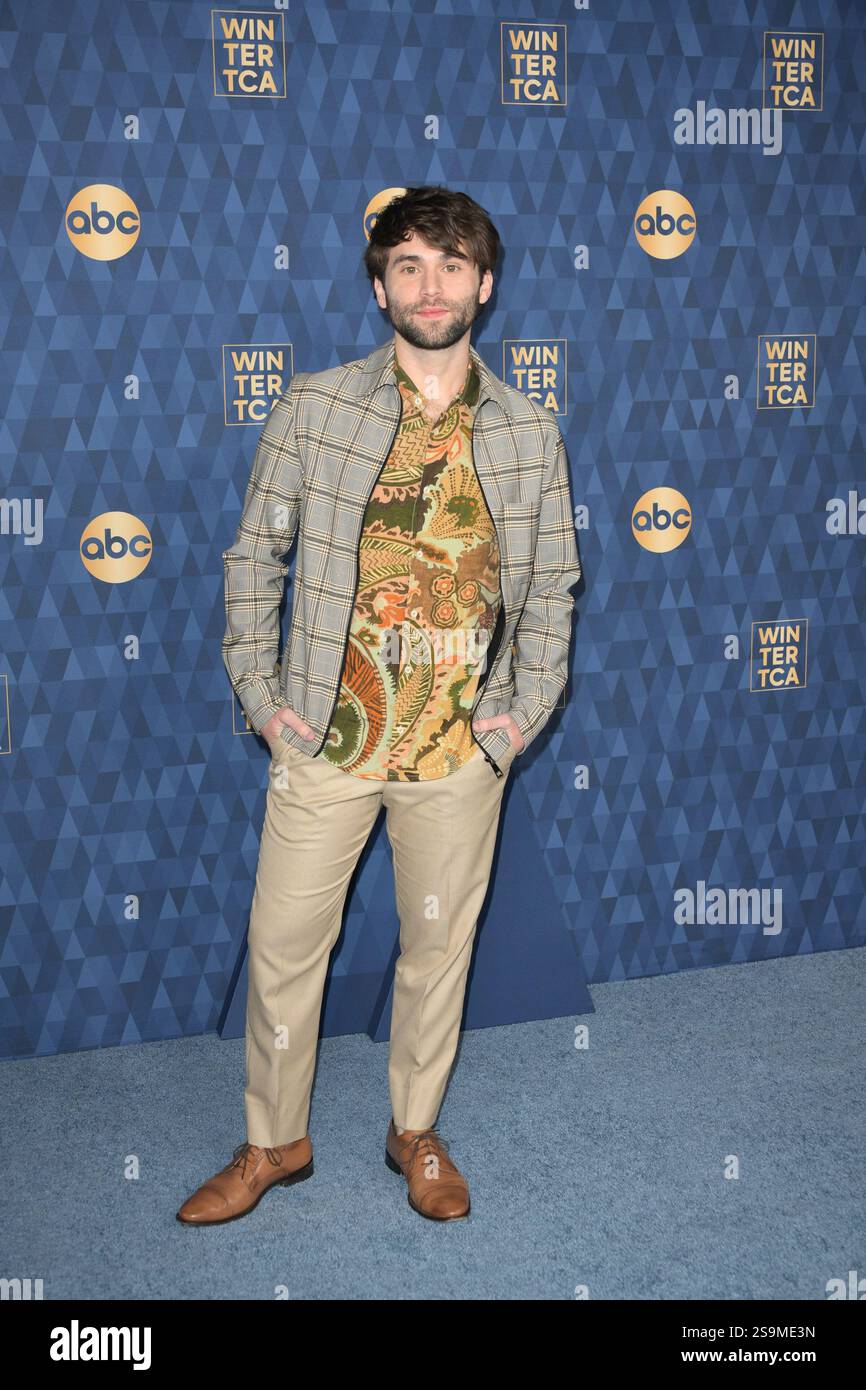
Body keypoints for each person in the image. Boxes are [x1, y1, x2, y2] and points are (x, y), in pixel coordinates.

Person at [176, 185, 582, 1226]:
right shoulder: (315, 408)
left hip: (455, 752)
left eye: (450, 266)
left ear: (483, 285)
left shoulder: (529, 430)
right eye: (407, 266)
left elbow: (550, 591)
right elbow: (252, 556)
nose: (430, 286)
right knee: (282, 949)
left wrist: (511, 720)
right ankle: (273, 1142)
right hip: (327, 742)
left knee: (435, 950)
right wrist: (265, 701)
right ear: (377, 286)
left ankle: (413, 1128)